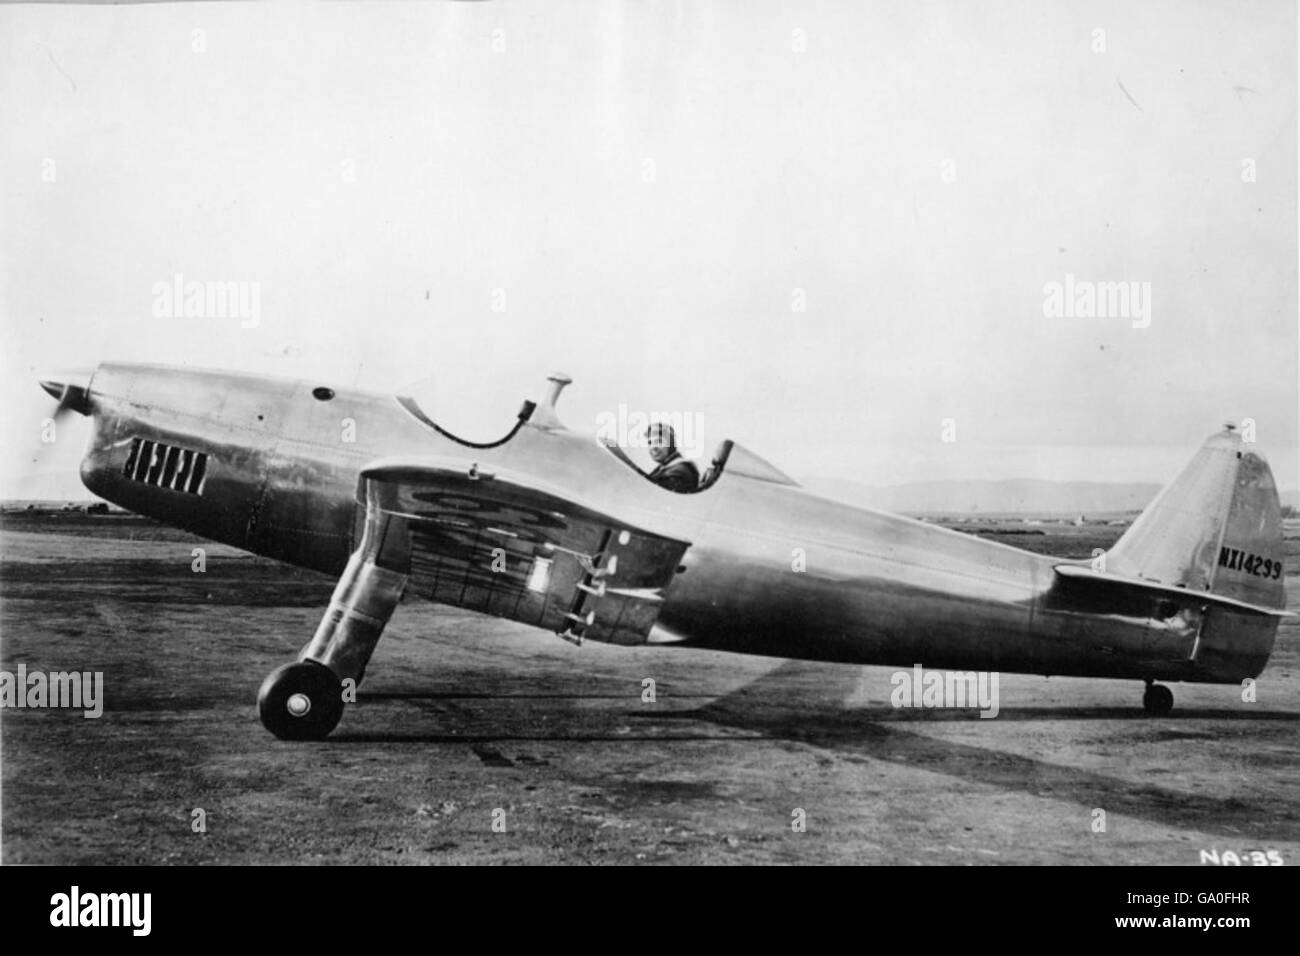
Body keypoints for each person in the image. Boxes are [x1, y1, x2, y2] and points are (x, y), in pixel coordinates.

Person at [645, 423, 700, 493]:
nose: (653, 447)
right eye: (650, 443)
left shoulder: (677, 472)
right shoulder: (666, 467)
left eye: (659, 441)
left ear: (671, 444)